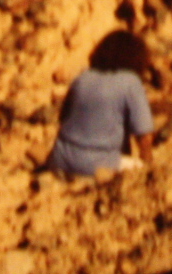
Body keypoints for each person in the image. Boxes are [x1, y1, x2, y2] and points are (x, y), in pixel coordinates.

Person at [47, 29, 156, 180]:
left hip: (60, 160)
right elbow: (144, 137)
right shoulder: (130, 82)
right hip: (98, 167)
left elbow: (64, 118)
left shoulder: (83, 77)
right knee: (143, 172)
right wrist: (149, 168)